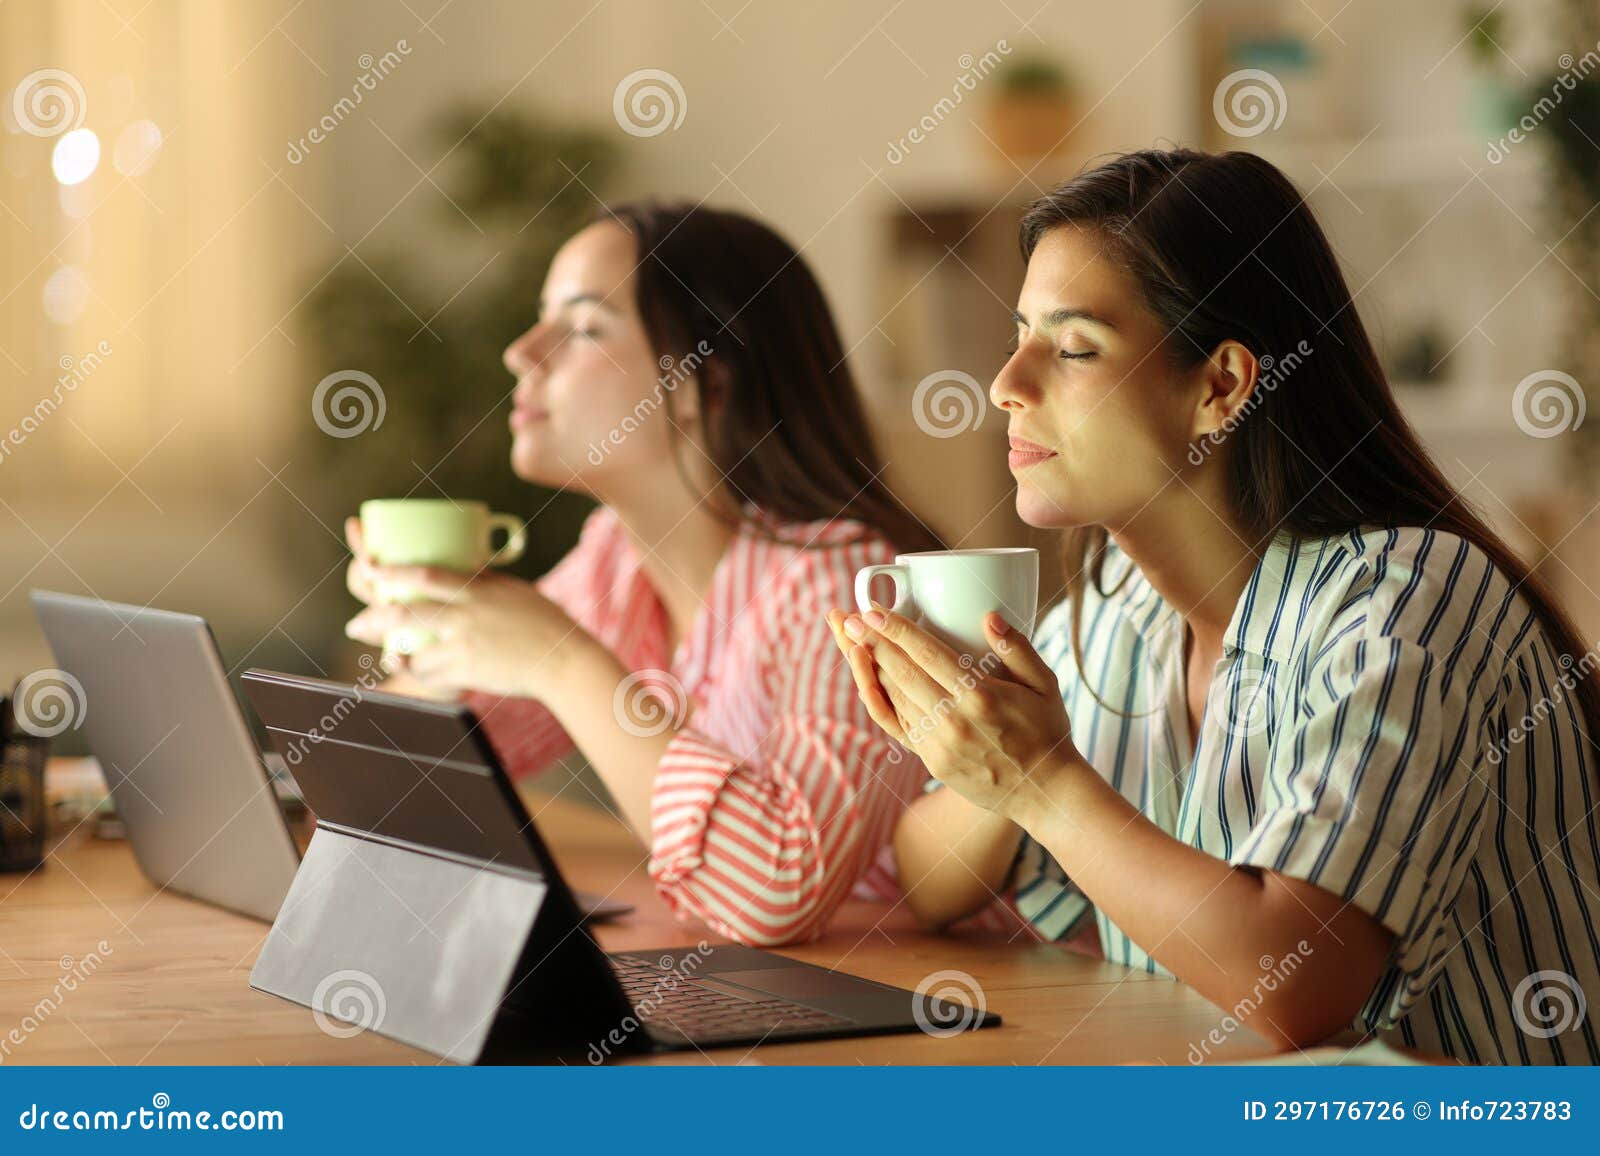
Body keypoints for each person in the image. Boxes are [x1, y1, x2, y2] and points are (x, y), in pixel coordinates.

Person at [830, 148, 1600, 1063]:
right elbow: (932, 879)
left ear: (1222, 386)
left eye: (1072, 348)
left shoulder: (1404, 600)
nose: (1006, 383)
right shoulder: (1117, 612)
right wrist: (976, 747)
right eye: (1019, 335)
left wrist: (1041, 781)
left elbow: (1297, 985)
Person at [346, 202, 937, 947]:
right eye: (540, 319)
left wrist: (559, 659)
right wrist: (427, 632)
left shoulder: (846, 582)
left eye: (585, 327)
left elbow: (778, 892)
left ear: (699, 386)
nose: (522, 353)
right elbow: (404, 789)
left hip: (941, 1004)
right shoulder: (615, 559)